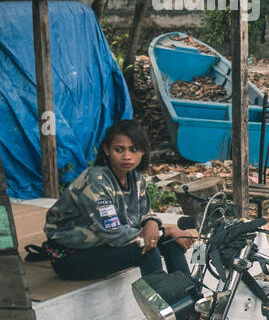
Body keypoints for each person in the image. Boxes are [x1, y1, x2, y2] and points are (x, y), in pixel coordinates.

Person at [43, 119, 196, 281]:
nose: (127, 156)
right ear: (107, 150)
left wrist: (151, 222)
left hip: (104, 247)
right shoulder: (96, 180)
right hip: (72, 257)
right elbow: (114, 233)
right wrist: (166, 231)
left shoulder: (136, 178)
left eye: (133, 150)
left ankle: (190, 297)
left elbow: (145, 214)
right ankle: (162, 301)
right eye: (119, 150)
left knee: (170, 242)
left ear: (143, 152)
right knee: (146, 248)